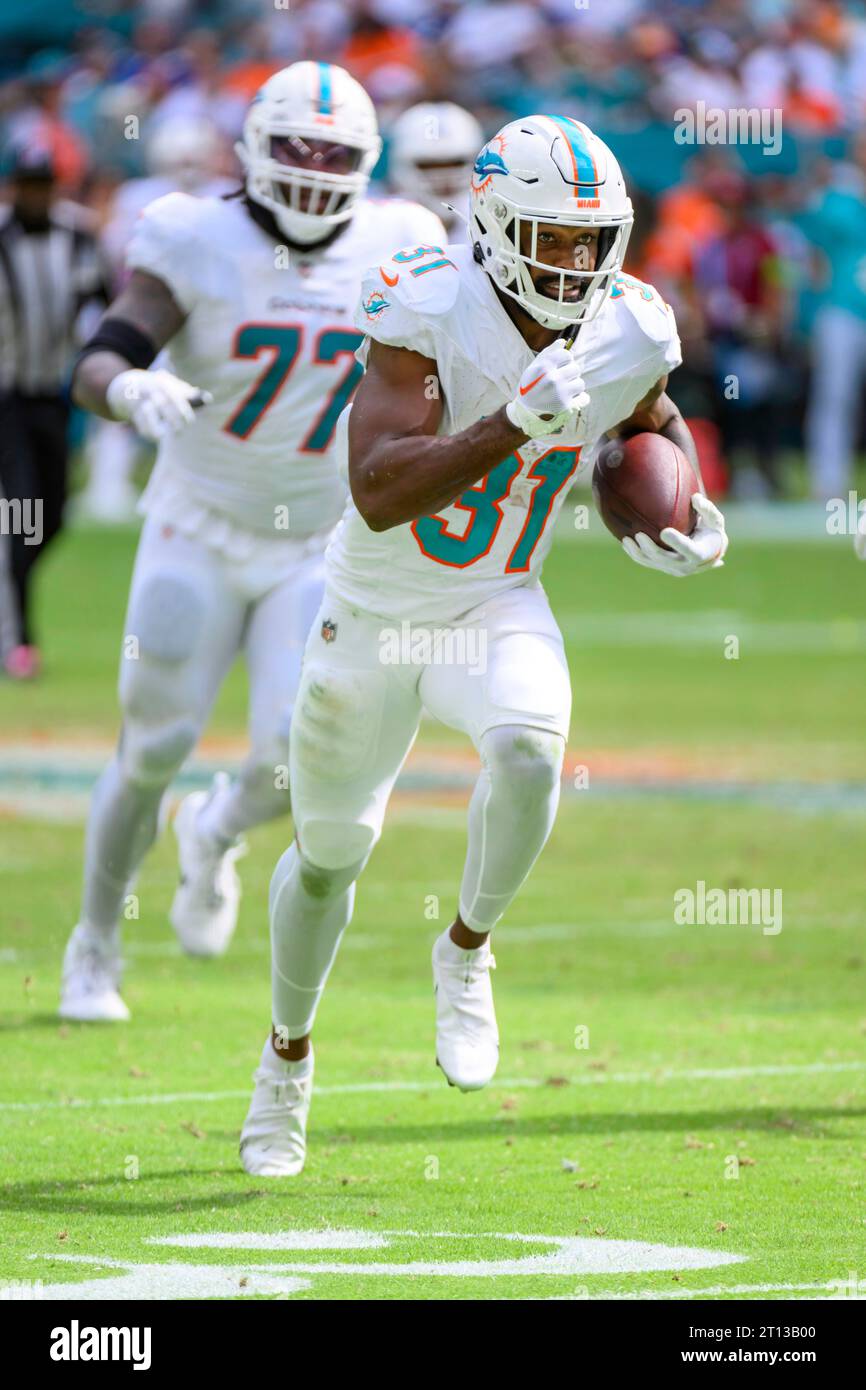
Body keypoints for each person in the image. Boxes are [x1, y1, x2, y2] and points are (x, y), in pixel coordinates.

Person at [239, 114, 729, 1177]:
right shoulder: (424, 304)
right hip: (370, 611)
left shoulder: (628, 324)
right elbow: (376, 491)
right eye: (555, 240)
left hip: (495, 600)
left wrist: (681, 507)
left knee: (528, 747)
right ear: (500, 229)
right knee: (329, 857)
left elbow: (649, 418)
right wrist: (513, 419)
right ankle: (286, 1057)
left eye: (594, 240)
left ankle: (465, 948)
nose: (579, 263)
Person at [59, 62, 445, 1022]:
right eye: (294, 150)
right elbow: (104, 351)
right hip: (195, 525)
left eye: (335, 154)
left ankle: (216, 830)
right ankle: (94, 946)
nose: (313, 169)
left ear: (368, 162)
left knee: (296, 755)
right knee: (152, 747)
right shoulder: (195, 235)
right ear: (250, 152)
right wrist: (123, 387)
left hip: (319, 543)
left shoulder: (401, 242)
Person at [0, 143, 109, 680]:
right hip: (6, 398)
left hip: (54, 396)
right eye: (28, 185)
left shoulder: (78, 236)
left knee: (53, 515)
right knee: (21, 511)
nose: (37, 195)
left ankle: (12, 602)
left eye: (45, 185)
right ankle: (19, 640)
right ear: (14, 187)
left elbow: (106, 305)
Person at [388, 102, 484, 238]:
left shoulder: (489, 225)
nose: (444, 176)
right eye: (429, 165)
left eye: (455, 163)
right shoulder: (386, 227)